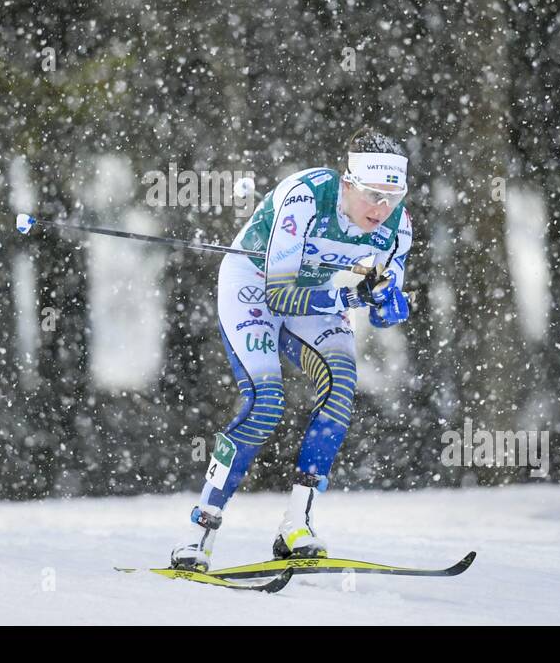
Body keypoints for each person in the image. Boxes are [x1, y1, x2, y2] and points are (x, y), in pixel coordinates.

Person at [171, 129, 412, 570]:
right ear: (348, 182)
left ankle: (296, 525)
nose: (381, 208)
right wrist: (353, 297)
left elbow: (384, 308)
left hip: (313, 294)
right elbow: (279, 296)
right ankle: (198, 534)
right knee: (265, 404)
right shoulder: (305, 195)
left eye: (393, 197)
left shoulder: (397, 227)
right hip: (253, 286)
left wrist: (388, 302)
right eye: (373, 195)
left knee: (341, 386)